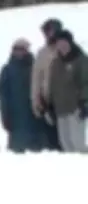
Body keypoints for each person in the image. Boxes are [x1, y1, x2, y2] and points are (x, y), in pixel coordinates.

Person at [0, 38, 48, 153]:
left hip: (35, 118)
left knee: (39, 154)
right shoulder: (7, 70)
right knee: (17, 155)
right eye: (16, 49)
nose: (19, 52)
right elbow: (3, 96)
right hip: (16, 119)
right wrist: (5, 116)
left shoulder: (35, 68)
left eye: (22, 49)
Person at [47, 29, 88, 153]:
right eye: (59, 44)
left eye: (64, 43)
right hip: (60, 110)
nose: (62, 46)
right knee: (66, 143)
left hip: (76, 108)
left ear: (70, 43)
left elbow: (86, 82)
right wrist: (50, 105)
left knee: (78, 143)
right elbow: (53, 85)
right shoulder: (55, 63)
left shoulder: (81, 60)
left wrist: (84, 102)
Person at [31, 18, 62, 150]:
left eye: (51, 31)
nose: (49, 34)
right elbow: (36, 79)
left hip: (68, 101)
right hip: (48, 102)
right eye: (47, 32)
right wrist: (36, 102)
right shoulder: (42, 53)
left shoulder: (68, 49)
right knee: (52, 141)